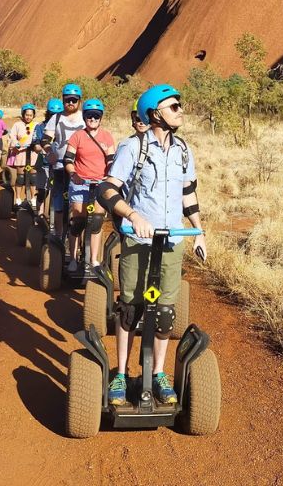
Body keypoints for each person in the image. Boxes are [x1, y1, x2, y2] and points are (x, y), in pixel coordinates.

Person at [97, 84, 206, 406]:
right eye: (174, 107)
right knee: (130, 309)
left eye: (179, 105)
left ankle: (158, 373)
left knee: (165, 314)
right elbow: (107, 189)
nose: (180, 110)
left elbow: (188, 193)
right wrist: (132, 215)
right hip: (138, 240)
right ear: (155, 114)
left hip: (172, 241)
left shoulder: (183, 150)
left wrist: (198, 231)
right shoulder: (132, 148)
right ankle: (120, 373)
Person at [62, 99, 115, 273]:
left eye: (96, 116)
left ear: (101, 118)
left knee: (96, 222)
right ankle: (73, 258)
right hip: (80, 183)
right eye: (89, 116)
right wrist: (74, 174)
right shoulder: (78, 136)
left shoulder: (106, 136)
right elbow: (68, 159)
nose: (92, 119)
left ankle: (93, 260)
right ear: (84, 117)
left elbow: (111, 159)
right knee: (78, 221)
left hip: (100, 183)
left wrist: (109, 175)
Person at [40, 84, 85, 236]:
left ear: (79, 101)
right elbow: (45, 139)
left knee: (77, 203)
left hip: (80, 167)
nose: (70, 103)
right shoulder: (56, 118)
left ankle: (73, 240)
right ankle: (58, 236)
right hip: (59, 165)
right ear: (63, 100)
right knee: (59, 201)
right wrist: (48, 152)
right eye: (67, 100)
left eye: (74, 100)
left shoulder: (85, 117)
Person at [32, 98, 63, 216]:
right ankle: (38, 214)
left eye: (57, 114)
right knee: (43, 191)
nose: (54, 117)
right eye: (52, 114)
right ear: (48, 114)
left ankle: (56, 220)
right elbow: (36, 147)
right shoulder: (40, 127)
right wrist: (47, 147)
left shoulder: (65, 127)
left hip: (60, 165)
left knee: (59, 193)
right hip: (44, 163)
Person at [7, 104, 38, 208]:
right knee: (20, 177)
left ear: (34, 115)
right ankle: (18, 198)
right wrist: (15, 143)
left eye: (30, 115)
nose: (28, 117)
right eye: (26, 114)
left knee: (33, 177)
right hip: (20, 153)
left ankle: (33, 198)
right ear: (23, 114)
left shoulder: (37, 125)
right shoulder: (17, 125)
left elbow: (40, 137)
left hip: (33, 154)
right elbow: (12, 136)